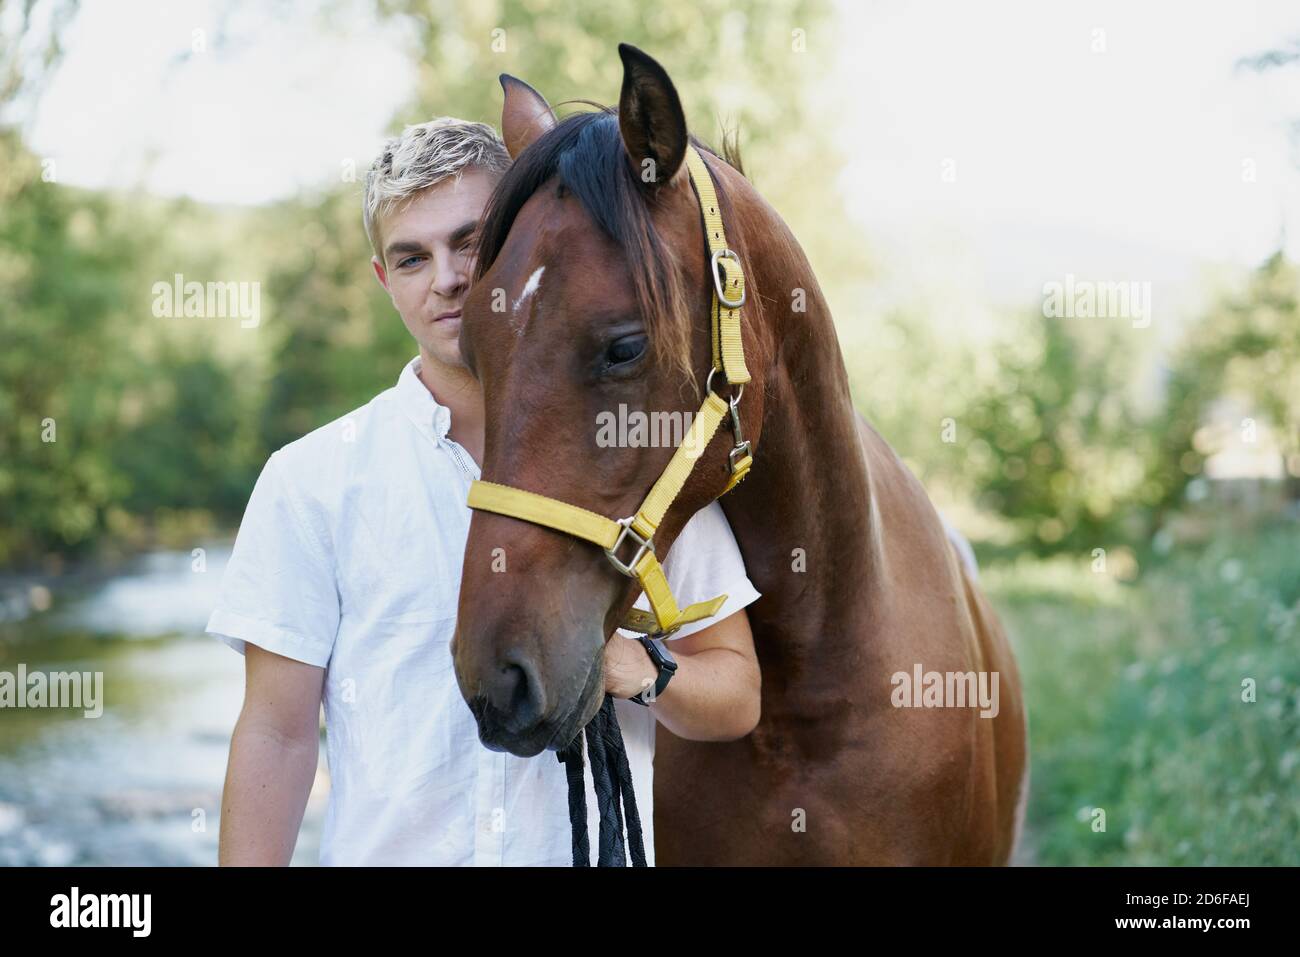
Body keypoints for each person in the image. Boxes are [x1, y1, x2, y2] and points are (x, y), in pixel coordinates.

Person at [207, 117, 762, 865]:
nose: (446, 277)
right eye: (411, 258)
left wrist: (640, 670)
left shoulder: (632, 453)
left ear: (521, 241)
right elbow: (277, 732)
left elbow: (737, 692)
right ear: (384, 280)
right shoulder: (311, 482)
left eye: (469, 241)